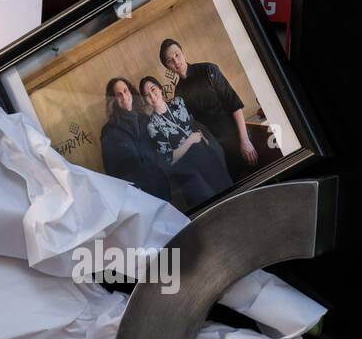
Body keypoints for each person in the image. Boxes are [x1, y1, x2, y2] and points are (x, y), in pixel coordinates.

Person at [160, 38, 258, 182]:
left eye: (177, 54)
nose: (176, 62)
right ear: (167, 67)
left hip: (237, 138)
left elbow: (234, 104)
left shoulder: (208, 70)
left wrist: (245, 140)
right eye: (170, 60)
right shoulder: (178, 93)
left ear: (182, 52)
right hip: (215, 151)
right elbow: (191, 129)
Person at [138, 75, 233, 211]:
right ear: (145, 100)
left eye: (153, 89)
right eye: (147, 95)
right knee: (215, 206)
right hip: (190, 168)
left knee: (229, 191)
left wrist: (204, 138)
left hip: (207, 155)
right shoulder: (152, 125)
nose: (152, 96)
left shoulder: (178, 102)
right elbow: (168, 159)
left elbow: (194, 124)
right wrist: (189, 141)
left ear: (160, 88)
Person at [99, 77, 170, 202]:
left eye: (126, 91)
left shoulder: (145, 119)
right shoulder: (109, 131)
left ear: (131, 93)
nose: (124, 96)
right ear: (114, 100)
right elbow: (111, 171)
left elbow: (160, 150)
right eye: (118, 94)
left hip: (160, 187)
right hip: (137, 196)